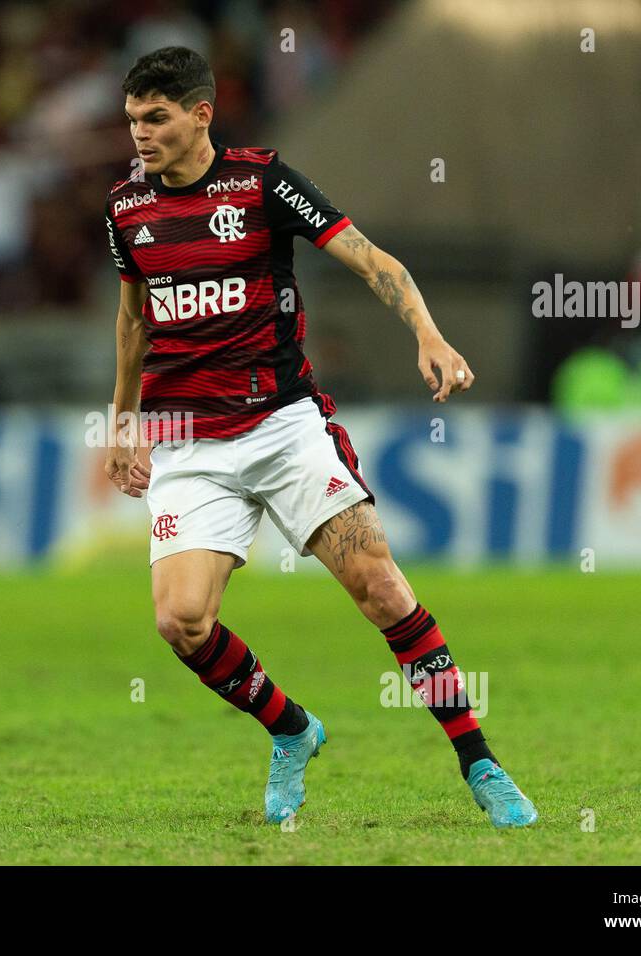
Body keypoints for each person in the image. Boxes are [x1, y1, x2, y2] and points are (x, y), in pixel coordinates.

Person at [102, 47, 537, 827]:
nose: (139, 134)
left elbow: (373, 261)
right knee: (181, 622)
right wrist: (123, 421)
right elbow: (134, 319)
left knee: (381, 586)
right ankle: (292, 729)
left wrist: (428, 336)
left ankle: (480, 762)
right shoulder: (127, 211)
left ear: (201, 114)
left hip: (282, 425)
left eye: (155, 118)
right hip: (190, 445)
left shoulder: (262, 183)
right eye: (132, 119)